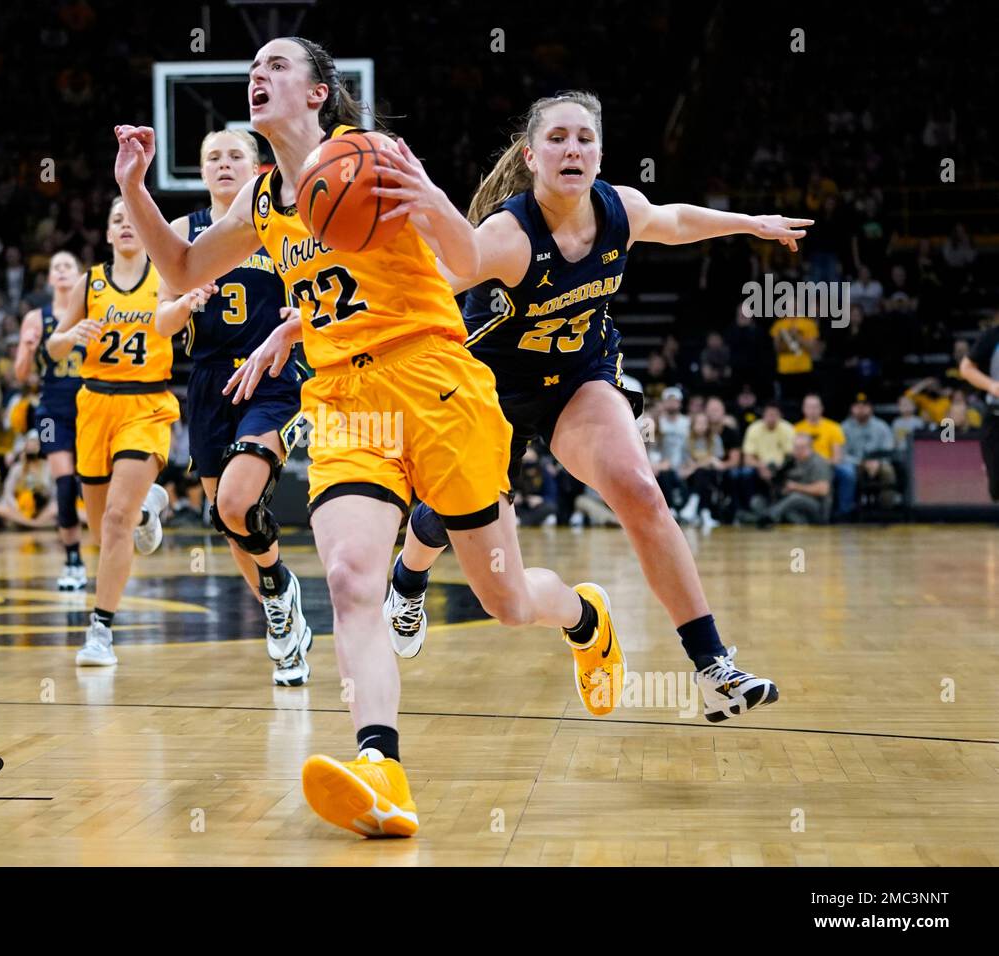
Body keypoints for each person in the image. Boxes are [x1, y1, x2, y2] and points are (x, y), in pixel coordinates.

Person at [115, 38, 620, 838]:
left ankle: (583, 617)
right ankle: (381, 768)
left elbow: (466, 259)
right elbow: (178, 268)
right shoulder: (262, 200)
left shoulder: (371, 156)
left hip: (436, 379)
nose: (258, 74)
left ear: (319, 94)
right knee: (352, 576)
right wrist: (134, 189)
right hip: (346, 398)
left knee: (508, 599)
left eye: (278, 65)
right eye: (253, 66)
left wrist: (426, 195)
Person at [379, 91, 792, 724]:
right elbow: (424, 286)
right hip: (491, 390)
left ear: (599, 153)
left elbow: (675, 222)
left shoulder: (620, 208)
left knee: (638, 489)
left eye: (584, 139)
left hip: (580, 376)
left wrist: (748, 223)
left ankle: (713, 669)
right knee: (450, 531)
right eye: (558, 139)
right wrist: (310, 321)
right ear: (532, 155)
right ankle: (408, 581)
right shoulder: (507, 236)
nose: (573, 148)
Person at [155, 129, 311, 686]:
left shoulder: (285, 223)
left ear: (258, 165)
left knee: (238, 499)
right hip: (207, 382)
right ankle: (280, 611)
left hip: (271, 372)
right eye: (212, 157)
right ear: (200, 172)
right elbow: (160, 321)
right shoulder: (184, 232)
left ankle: (279, 599)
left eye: (235, 155)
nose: (224, 164)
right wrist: (184, 303)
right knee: (227, 517)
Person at [47, 198, 174, 665]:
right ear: (106, 233)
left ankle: (99, 630)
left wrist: (189, 302)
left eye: (132, 218)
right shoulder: (91, 281)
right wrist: (71, 334)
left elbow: (177, 321)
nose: (125, 225)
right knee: (105, 526)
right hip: (94, 405)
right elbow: (55, 345)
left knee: (116, 520)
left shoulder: (165, 275)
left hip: (146, 403)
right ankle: (147, 512)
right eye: (116, 219)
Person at [13, 250, 88, 588]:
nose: (60, 271)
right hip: (51, 409)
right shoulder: (35, 318)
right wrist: (28, 349)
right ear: (49, 279)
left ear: (79, 274)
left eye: (67, 266)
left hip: (90, 405)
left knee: (91, 482)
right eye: (55, 267)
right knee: (64, 482)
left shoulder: (92, 309)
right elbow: (20, 374)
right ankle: (72, 558)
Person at [794, 393, 854, 519]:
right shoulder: (796, 428)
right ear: (803, 409)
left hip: (828, 465)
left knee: (848, 472)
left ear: (821, 409)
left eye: (815, 407)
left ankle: (845, 511)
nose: (812, 410)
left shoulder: (833, 427)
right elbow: (794, 454)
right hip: (804, 467)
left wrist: (823, 465)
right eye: (809, 407)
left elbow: (837, 457)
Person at [959, 317, 999, 500]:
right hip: (995, 415)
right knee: (996, 486)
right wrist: (991, 385)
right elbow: (966, 368)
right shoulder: (992, 336)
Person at [757, 433, 832, 527]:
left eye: (802, 448)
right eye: (795, 447)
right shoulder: (791, 461)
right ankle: (791, 520)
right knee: (758, 501)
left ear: (810, 448)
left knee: (795, 497)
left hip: (817, 507)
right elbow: (780, 481)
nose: (798, 451)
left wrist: (795, 487)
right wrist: (769, 476)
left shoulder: (818, 463)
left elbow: (823, 490)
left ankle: (769, 517)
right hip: (792, 504)